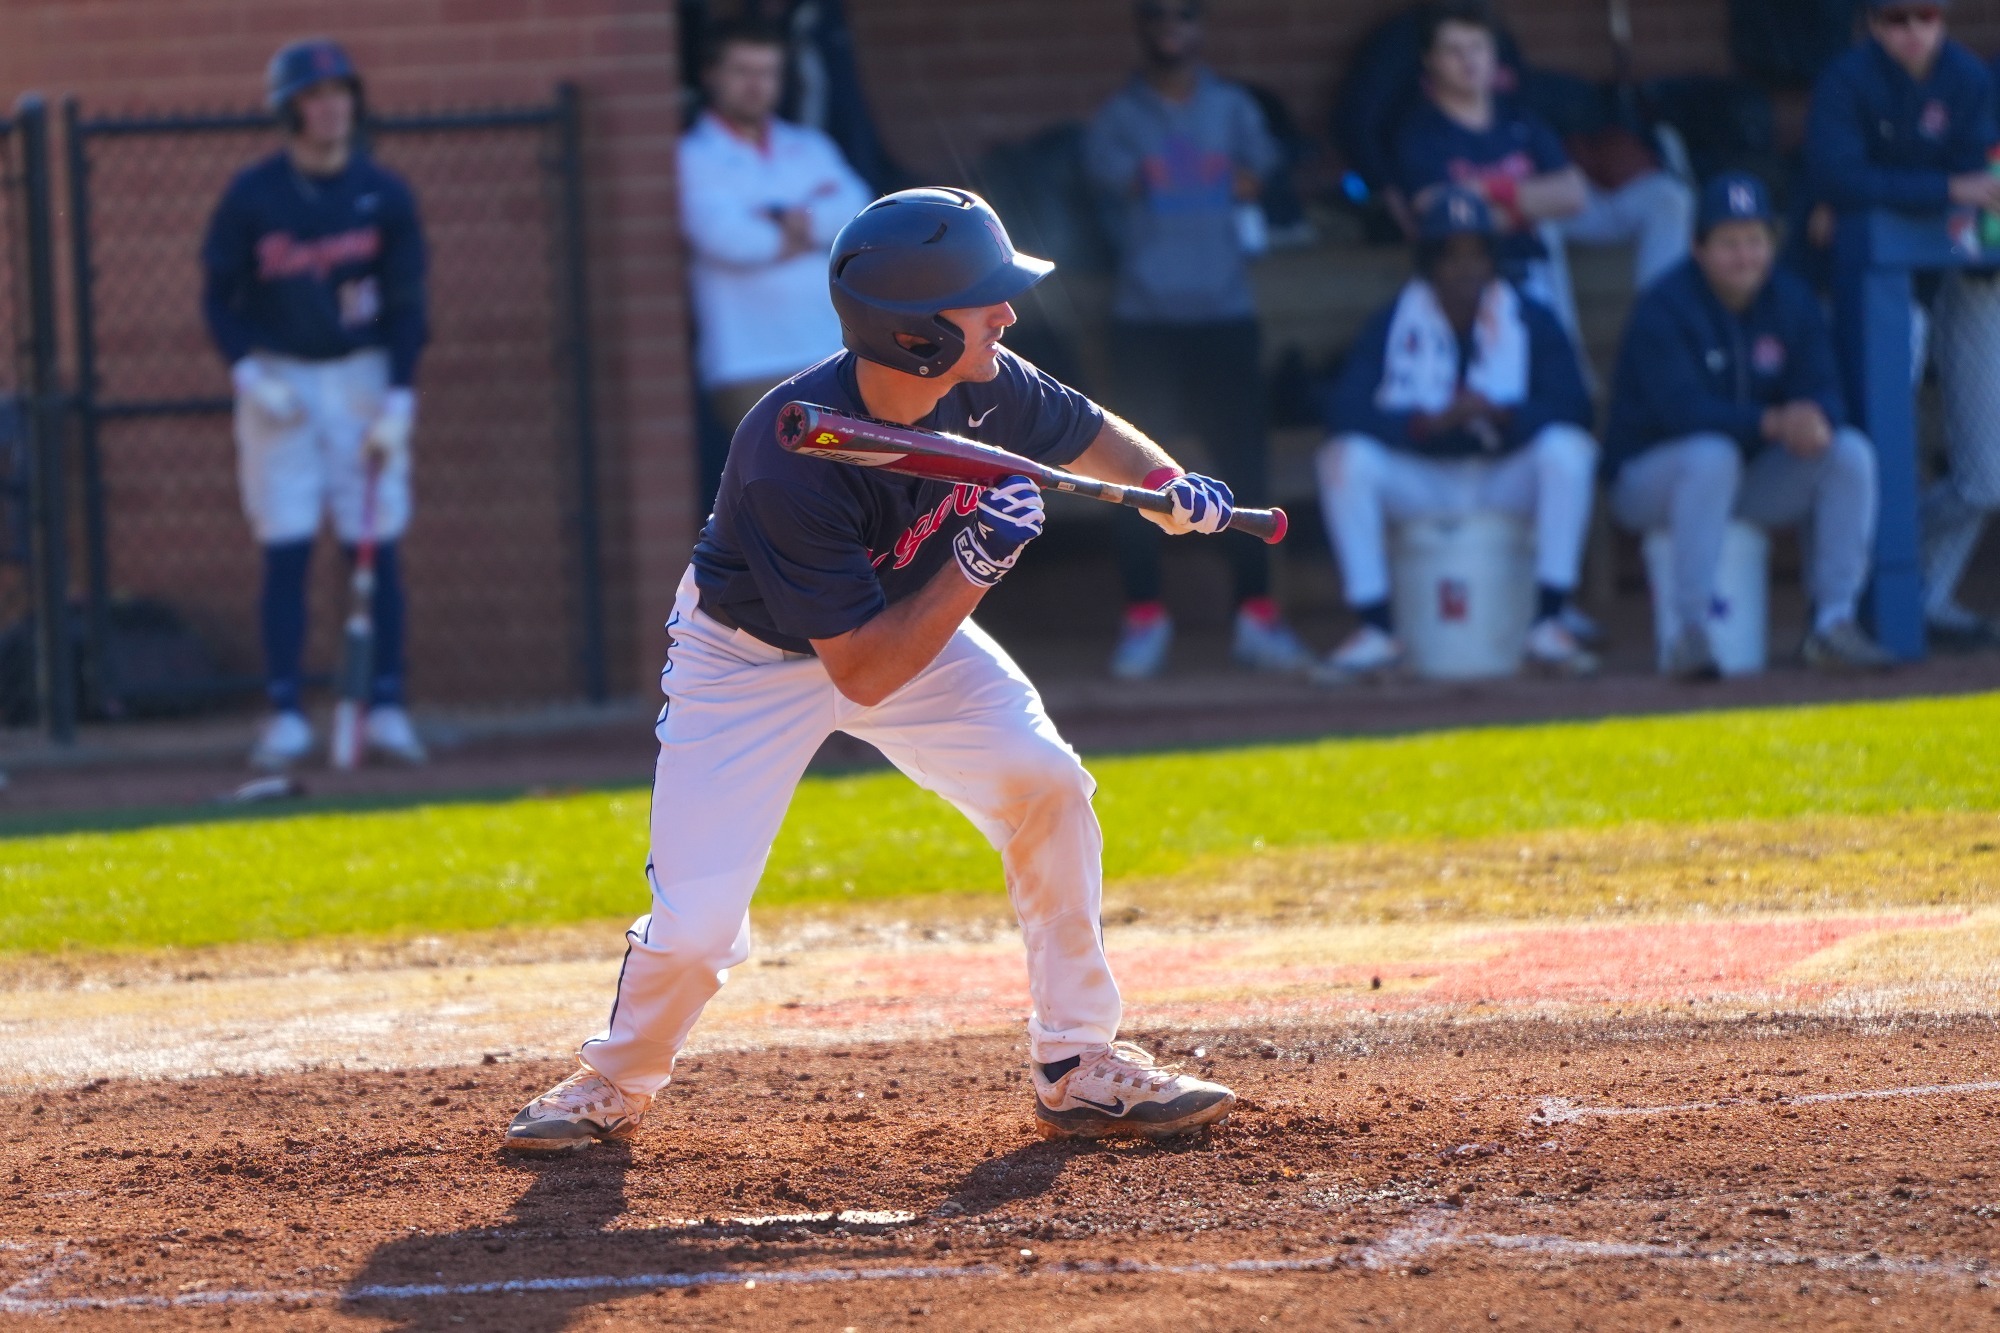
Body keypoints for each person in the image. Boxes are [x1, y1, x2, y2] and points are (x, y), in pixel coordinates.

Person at [503, 188, 1241, 1152]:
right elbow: (861, 674)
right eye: (986, 299)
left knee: (1049, 786)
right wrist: (976, 564)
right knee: (695, 928)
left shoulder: (985, 380)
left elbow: (1087, 427)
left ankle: (1077, 1063)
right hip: (754, 658)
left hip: (900, 624)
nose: (1008, 314)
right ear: (917, 335)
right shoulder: (790, 456)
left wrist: (1162, 487)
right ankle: (611, 1081)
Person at [201, 38, 429, 771]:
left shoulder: (384, 194)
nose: (330, 109)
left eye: (340, 94)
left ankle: (384, 704)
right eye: (313, 97)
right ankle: (287, 711)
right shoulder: (253, 196)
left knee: (374, 538)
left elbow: (406, 305)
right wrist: (246, 375)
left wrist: (398, 399)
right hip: (281, 381)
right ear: (288, 109)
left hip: (362, 375)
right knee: (286, 540)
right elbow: (218, 298)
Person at [1083, 0, 1311, 680]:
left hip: (1225, 314)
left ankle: (1257, 616)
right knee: (1133, 473)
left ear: (1200, 28)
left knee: (1244, 465)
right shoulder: (1117, 119)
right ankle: (1145, 616)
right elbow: (1108, 181)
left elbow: (1260, 173)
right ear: (1141, 30)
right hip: (1144, 319)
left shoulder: (1235, 108)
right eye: (1157, 18)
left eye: (1183, 17)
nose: (1170, 29)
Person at [1605, 173, 1896, 678]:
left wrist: (1817, 419)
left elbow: (1826, 386)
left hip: (1744, 478)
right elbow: (1681, 413)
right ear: (1698, 248)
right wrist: (1774, 421)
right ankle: (1688, 633)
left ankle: (1833, 622)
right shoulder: (1665, 306)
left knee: (1848, 453)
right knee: (1710, 453)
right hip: (1650, 480)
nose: (1745, 256)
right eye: (1729, 243)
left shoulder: (1791, 299)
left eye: (1755, 241)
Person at [1315, 189, 1599, 683]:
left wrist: (1505, 414)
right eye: (1451, 255)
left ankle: (1550, 620)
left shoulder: (1530, 318)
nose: (1466, 267)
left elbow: (1575, 406)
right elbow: (1345, 411)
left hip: (1502, 474)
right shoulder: (1393, 321)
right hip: (1423, 477)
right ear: (1430, 263)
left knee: (1569, 451)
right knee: (1344, 459)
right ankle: (1377, 627)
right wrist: (1424, 423)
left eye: (1477, 253)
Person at [1803, 0, 2000, 649]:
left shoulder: (1969, 78)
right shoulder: (1846, 79)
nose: (1912, 32)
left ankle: (1917, 584)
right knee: (1883, 449)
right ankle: (1888, 595)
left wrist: (1933, 191)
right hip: (1874, 282)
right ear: (1870, 25)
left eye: (1925, 16)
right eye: (1895, 19)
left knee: (1989, 475)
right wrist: (1945, 188)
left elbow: (1984, 183)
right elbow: (1839, 175)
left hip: (1962, 271)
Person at [1391, 0, 1692, 332]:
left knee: (1667, 197)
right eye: (1454, 51)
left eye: (1477, 47)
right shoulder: (1420, 133)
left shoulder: (1519, 118)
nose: (1469, 60)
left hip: (1542, 216)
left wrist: (1491, 189)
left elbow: (1573, 193)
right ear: (1430, 60)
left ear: (1493, 54)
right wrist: (1530, 203)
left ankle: (1660, 331)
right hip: (1499, 254)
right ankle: (1570, 365)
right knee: (1542, 224)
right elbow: (1435, 208)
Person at [680, 21, 872, 433]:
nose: (756, 84)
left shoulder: (810, 147)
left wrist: (779, 220)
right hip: (750, 363)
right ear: (711, 76)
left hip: (831, 352)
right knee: (777, 490)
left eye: (767, 72)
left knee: (844, 488)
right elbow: (730, 240)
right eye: (742, 71)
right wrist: (813, 226)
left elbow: (858, 215)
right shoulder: (693, 157)